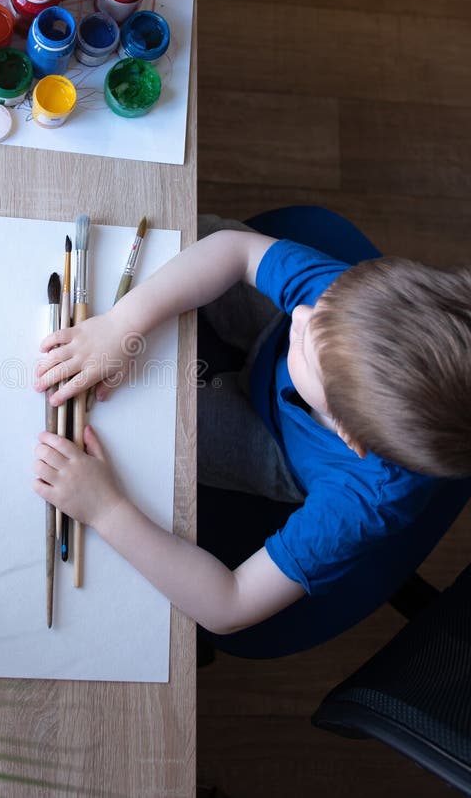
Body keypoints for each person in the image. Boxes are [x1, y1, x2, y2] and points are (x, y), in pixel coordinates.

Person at [31, 216, 471, 636]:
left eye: (307, 340)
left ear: (349, 436)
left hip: (280, 451)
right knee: (199, 237)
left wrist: (106, 511)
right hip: (273, 342)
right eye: (323, 306)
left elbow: (229, 604)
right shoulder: (347, 308)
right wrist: (120, 324)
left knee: (132, 435)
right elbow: (235, 251)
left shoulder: (361, 502)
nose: (301, 315)